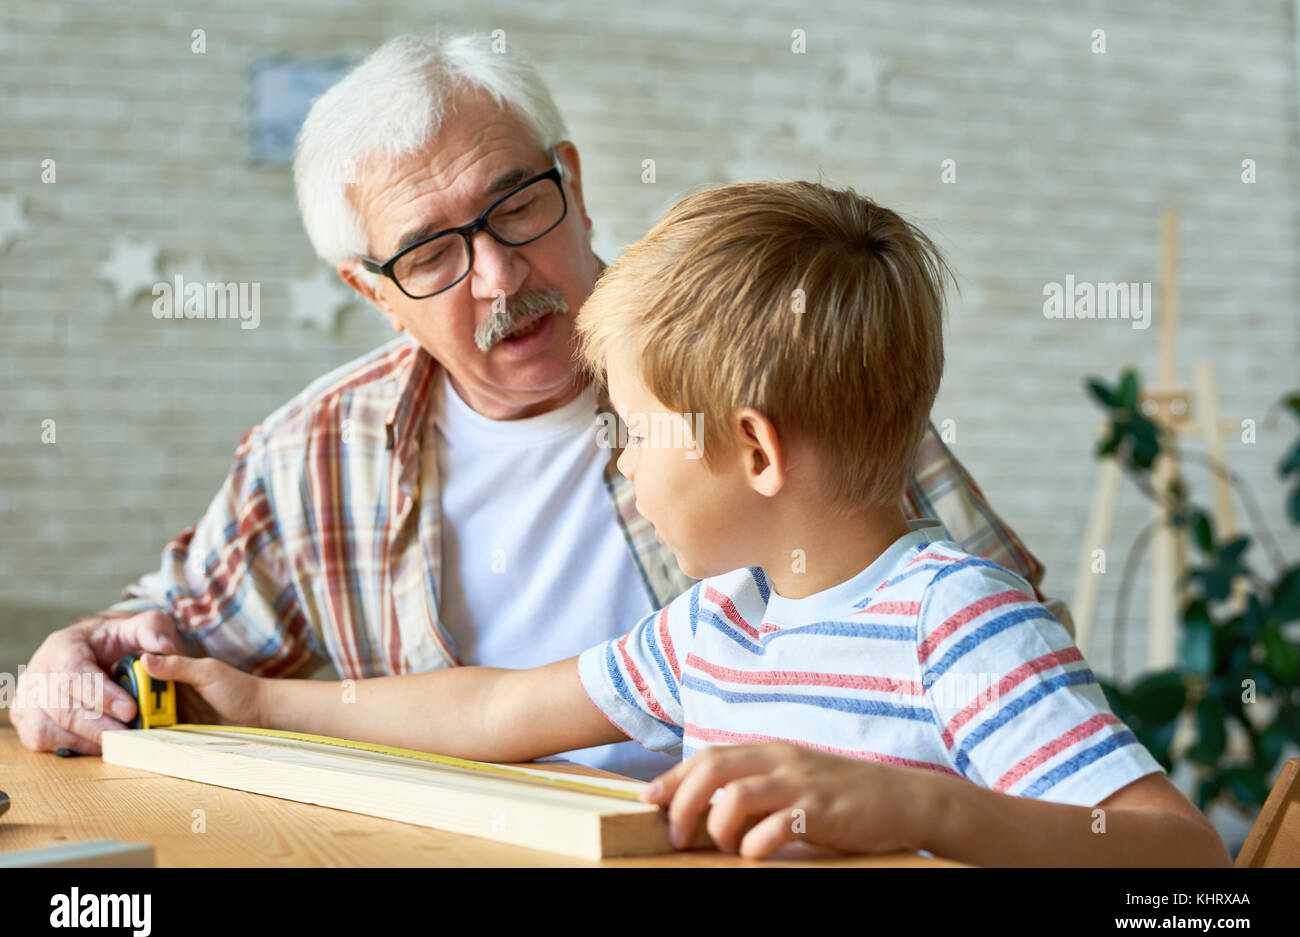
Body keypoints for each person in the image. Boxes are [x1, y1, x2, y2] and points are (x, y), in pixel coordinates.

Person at [14, 34, 1061, 783]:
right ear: (370, 293)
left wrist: (915, 808)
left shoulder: (763, 365)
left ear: (572, 178)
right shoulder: (315, 453)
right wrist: (76, 658)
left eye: (516, 203)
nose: (499, 273)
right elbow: (189, 643)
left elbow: (996, 639)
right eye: (429, 252)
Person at [141, 180, 1231, 865]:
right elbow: (486, 710)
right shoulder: (714, 627)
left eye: (634, 428)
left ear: (753, 451)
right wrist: (258, 701)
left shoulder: (959, 623)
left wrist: (914, 810)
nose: (617, 457)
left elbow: (1178, 863)